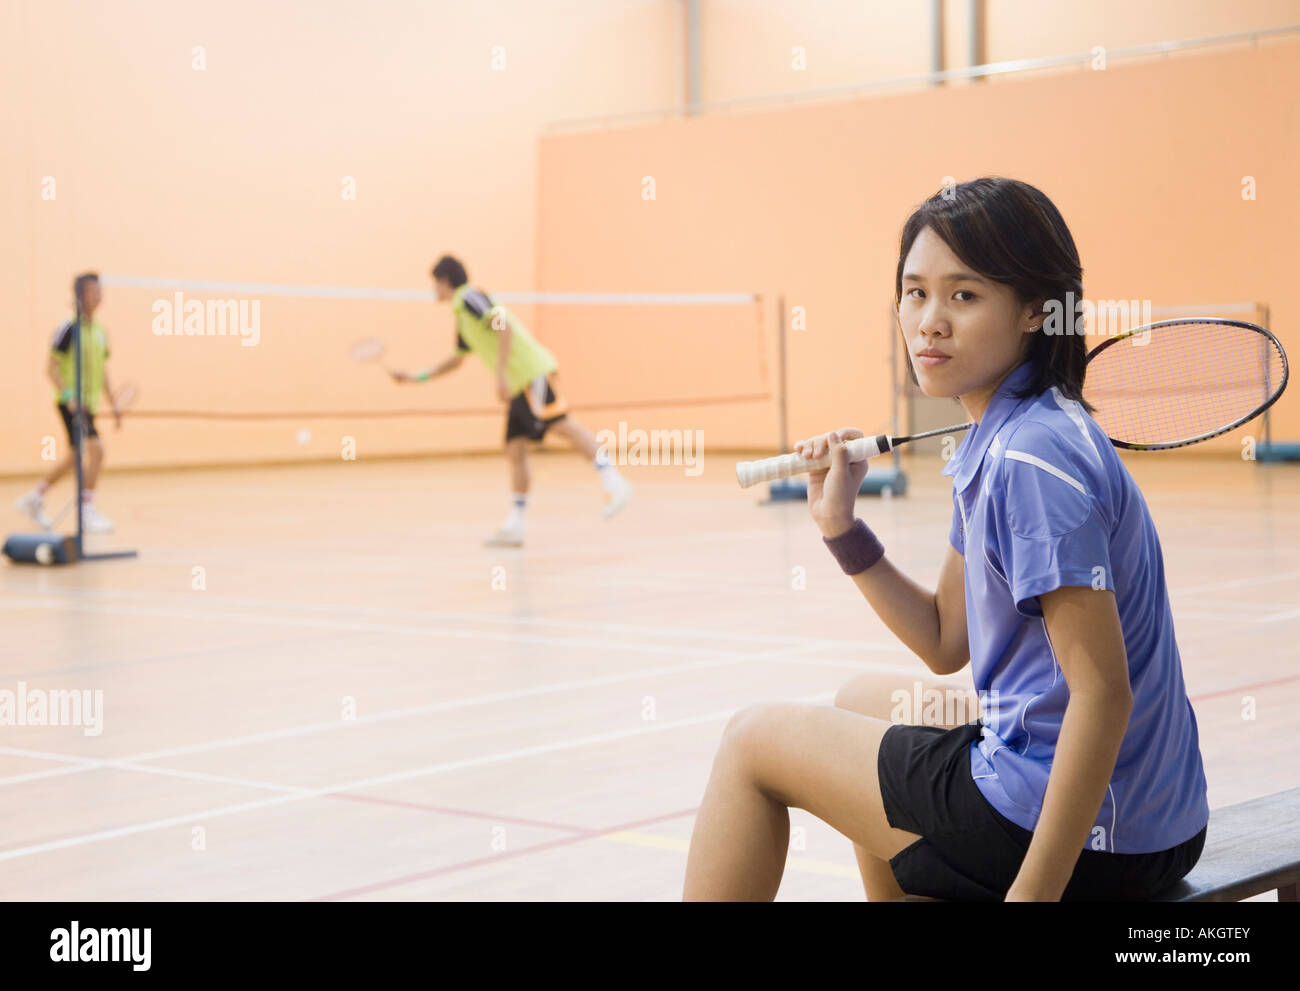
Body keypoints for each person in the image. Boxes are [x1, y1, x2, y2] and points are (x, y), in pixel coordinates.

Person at [682, 178, 1208, 901]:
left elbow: (1103, 695)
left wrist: (1032, 896)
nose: (929, 321)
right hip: (1157, 817)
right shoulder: (1011, 430)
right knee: (863, 699)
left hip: (1089, 837)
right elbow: (944, 638)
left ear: (1034, 309)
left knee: (752, 741)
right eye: (914, 292)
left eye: (963, 295)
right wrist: (842, 529)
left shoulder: (1029, 461)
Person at [391, 256, 632, 547]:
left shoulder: (469, 297)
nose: (433, 289)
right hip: (520, 383)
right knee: (515, 448)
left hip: (530, 374)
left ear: (444, 281)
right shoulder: (462, 315)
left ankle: (614, 481)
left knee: (562, 425)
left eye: (434, 283)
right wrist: (417, 378)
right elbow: (457, 359)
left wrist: (501, 374)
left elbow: (502, 325)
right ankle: (515, 525)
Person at [16, 272, 121, 534]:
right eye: (93, 291)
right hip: (71, 404)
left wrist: (113, 402)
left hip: (89, 406)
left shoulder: (100, 332)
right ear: (79, 295)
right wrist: (69, 397)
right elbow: (50, 368)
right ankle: (86, 510)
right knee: (96, 450)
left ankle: (35, 497)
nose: (99, 296)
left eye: (100, 290)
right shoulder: (68, 329)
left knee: (76, 456)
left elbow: (103, 370)